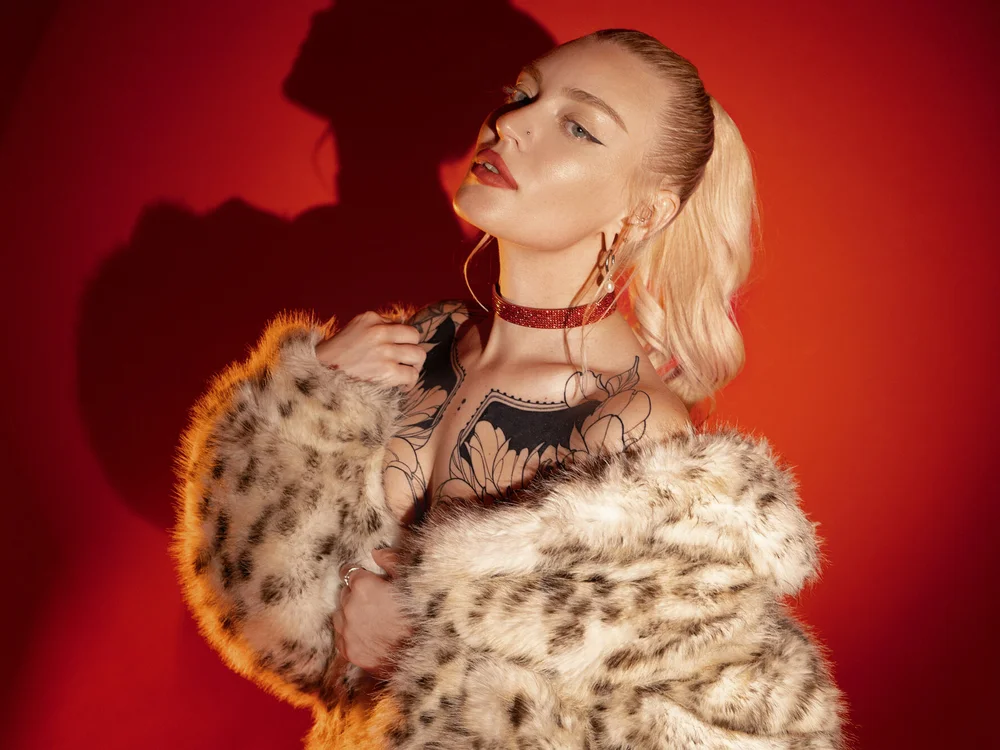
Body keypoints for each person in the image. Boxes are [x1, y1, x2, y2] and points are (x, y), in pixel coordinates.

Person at [171, 28, 845, 749]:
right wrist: (310, 401)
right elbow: (265, 609)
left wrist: (419, 649)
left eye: (578, 126)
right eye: (522, 95)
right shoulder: (427, 340)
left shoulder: (627, 423)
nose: (512, 124)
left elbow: (651, 727)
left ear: (644, 214)